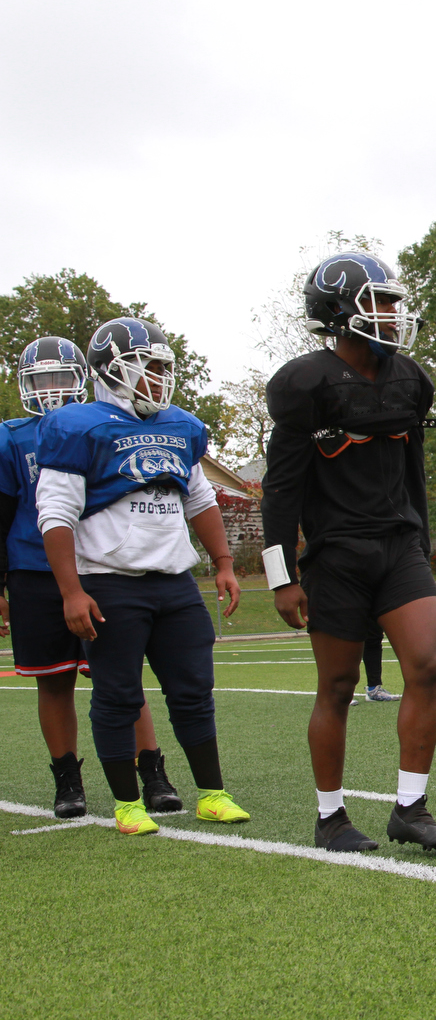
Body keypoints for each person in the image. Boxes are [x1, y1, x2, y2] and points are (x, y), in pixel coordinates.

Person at [260, 252, 436, 853]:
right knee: (339, 684)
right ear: (339, 310)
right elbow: (282, 485)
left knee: (426, 665)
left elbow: (410, 468)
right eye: (381, 301)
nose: (393, 313)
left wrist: (421, 542)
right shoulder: (304, 383)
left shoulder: (409, 379)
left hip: (397, 545)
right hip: (336, 552)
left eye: (394, 302)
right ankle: (331, 817)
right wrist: (280, 574)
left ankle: (411, 808)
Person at [35, 318, 249, 836]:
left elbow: (200, 498)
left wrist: (222, 562)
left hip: (175, 579)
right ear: (111, 369)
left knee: (194, 689)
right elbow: (55, 513)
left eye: (161, 367)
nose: (157, 377)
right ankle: (128, 804)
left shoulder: (180, 425)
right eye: (146, 367)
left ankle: (212, 794)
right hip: (110, 580)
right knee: (117, 693)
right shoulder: (77, 425)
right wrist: (71, 590)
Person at [0, 336, 181, 818]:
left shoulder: (106, 426)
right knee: (53, 682)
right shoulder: (12, 436)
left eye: (63, 377)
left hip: (101, 569)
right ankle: (68, 781)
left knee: (122, 679)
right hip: (35, 572)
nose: (52, 390)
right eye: (42, 380)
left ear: (87, 377)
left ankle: (153, 771)